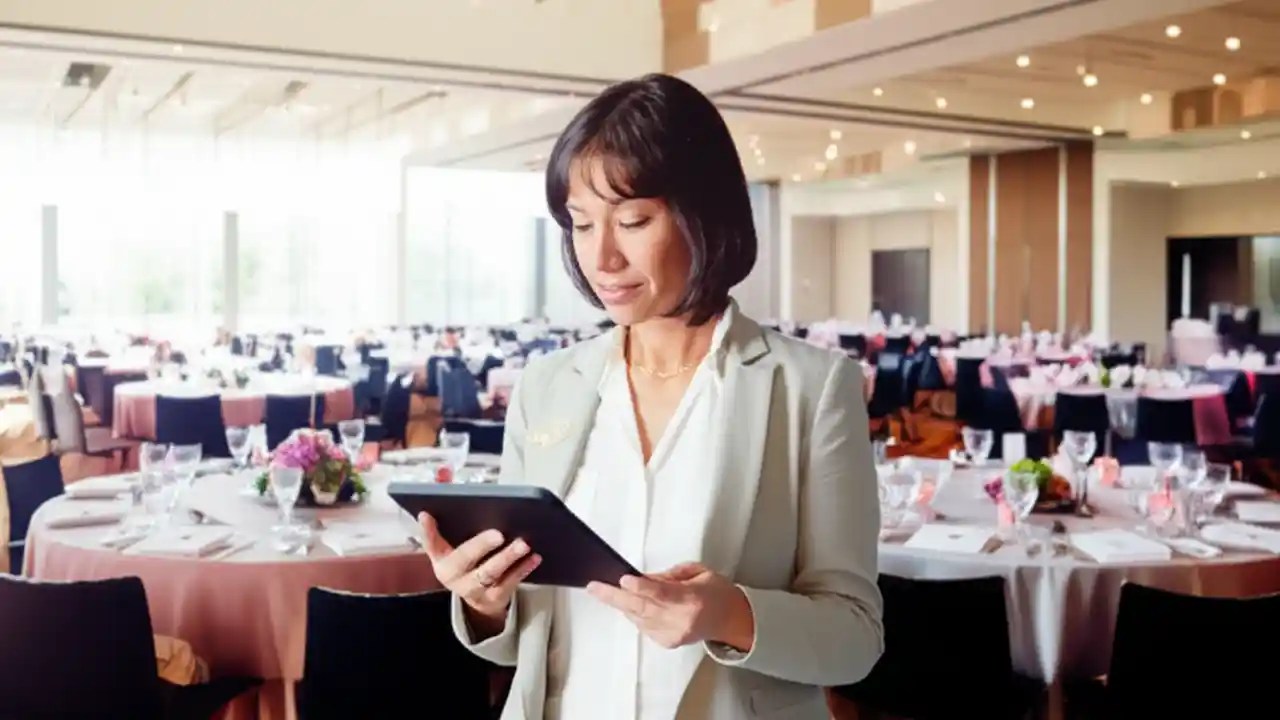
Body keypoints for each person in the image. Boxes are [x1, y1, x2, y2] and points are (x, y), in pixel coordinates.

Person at [420, 73, 883, 720]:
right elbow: (523, 636)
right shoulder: (545, 387)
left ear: (704, 216)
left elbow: (855, 639)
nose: (601, 257)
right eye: (582, 225)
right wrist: (483, 600)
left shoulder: (811, 387)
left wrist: (730, 614)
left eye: (633, 221)